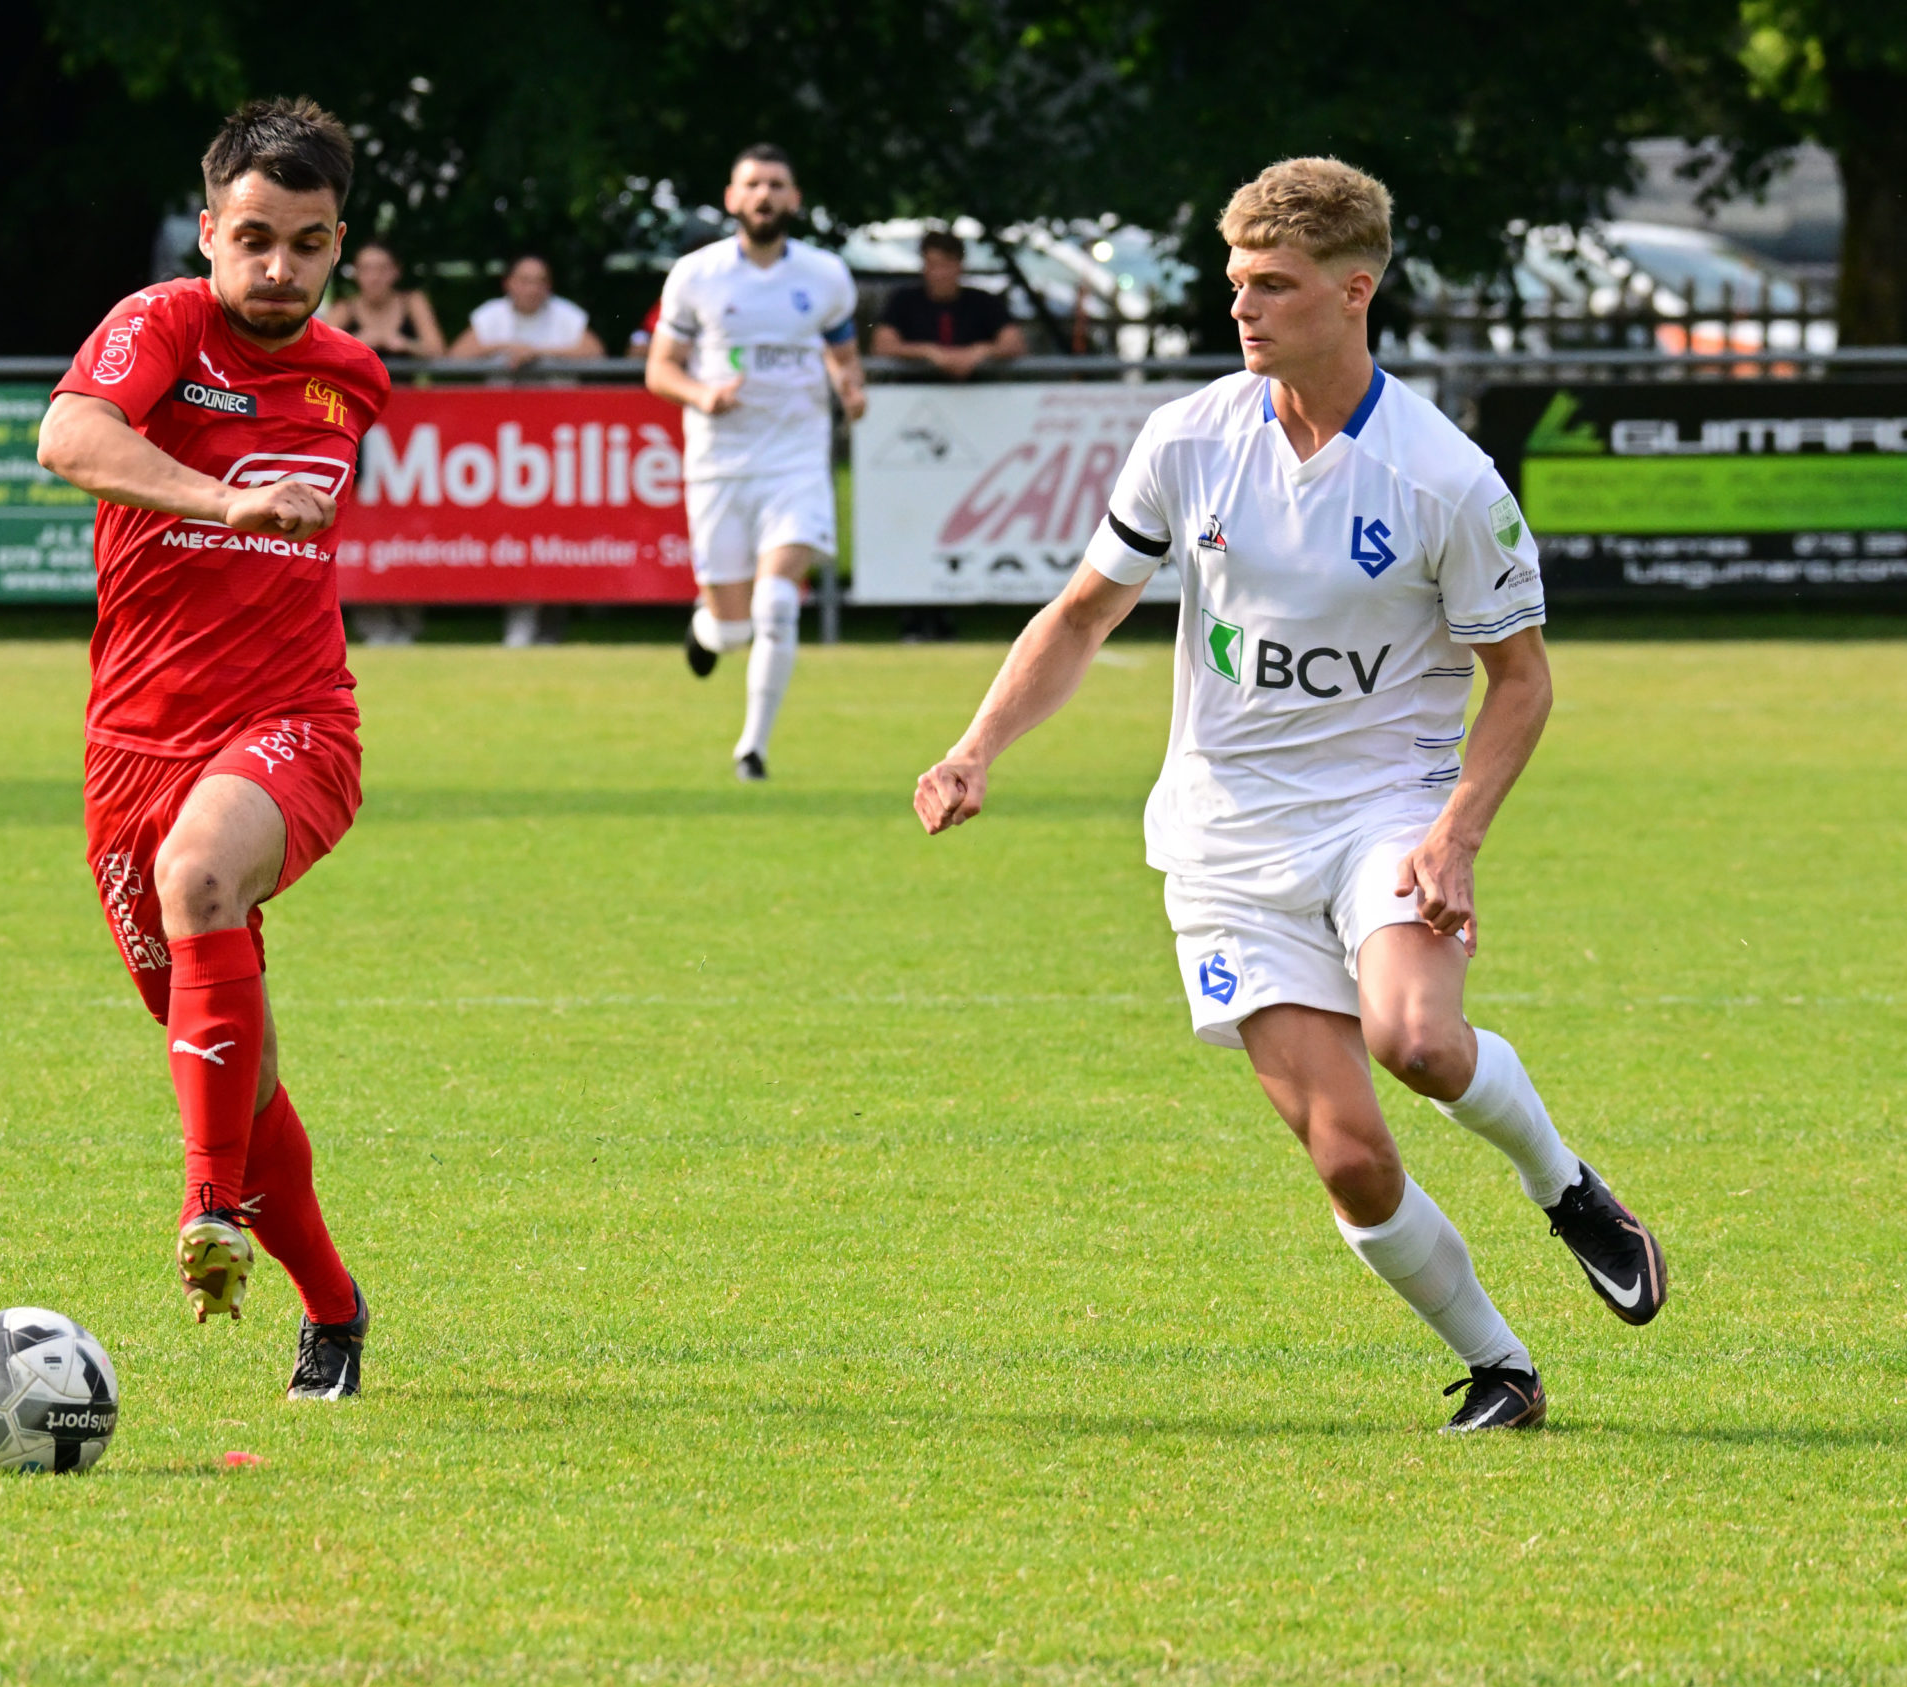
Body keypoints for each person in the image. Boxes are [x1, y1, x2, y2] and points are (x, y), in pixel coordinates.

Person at [912, 158, 1667, 1434]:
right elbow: (1083, 613)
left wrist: (1455, 835)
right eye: (1235, 282)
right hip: (1222, 834)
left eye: (1272, 284)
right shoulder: (1189, 438)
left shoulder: (1442, 477)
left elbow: (1523, 683)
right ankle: (1500, 1367)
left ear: (1353, 290)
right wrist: (977, 746)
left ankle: (1564, 1186)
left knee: (1417, 1042)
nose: (1241, 308)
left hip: (1385, 806)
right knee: (1350, 1159)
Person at [37, 96, 390, 1401]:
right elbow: (69, 436)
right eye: (254, 238)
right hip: (132, 747)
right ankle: (334, 1308)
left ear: (338, 243)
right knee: (241, 1073)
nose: (278, 268)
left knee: (198, 877)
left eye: (307, 242)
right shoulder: (162, 324)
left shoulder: (355, 378)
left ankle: (207, 1207)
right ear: (208, 232)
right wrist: (223, 498)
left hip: (295, 723)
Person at [644, 144, 865, 780]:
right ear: (732, 198)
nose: (764, 194)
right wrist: (702, 395)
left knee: (777, 602)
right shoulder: (697, 275)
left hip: (796, 462)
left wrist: (851, 388)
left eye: (776, 184)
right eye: (753, 184)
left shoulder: (826, 275)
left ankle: (753, 749)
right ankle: (708, 629)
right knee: (735, 629)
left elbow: (844, 356)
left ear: (795, 198)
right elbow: (660, 369)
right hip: (720, 464)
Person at [872, 230, 1026, 379]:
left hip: (978, 391)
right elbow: (882, 345)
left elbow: (1014, 343)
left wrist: (979, 352)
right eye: (932, 264)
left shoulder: (984, 301)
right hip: (915, 391)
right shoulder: (904, 301)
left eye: (946, 264)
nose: (939, 273)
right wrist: (928, 352)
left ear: (960, 266)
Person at [449, 256, 604, 362]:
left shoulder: (566, 313)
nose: (533, 289)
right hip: (503, 399)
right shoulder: (491, 313)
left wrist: (537, 352)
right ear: (507, 283)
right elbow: (457, 355)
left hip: (557, 399)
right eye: (525, 281)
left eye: (540, 281)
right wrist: (505, 347)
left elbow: (595, 352)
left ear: (549, 286)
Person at [320, 240, 446, 359]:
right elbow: (321, 350)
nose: (374, 277)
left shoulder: (412, 302)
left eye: (382, 269)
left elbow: (437, 350)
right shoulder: (345, 308)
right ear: (356, 273)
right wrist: (357, 343)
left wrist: (406, 345)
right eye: (366, 269)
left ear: (396, 271)